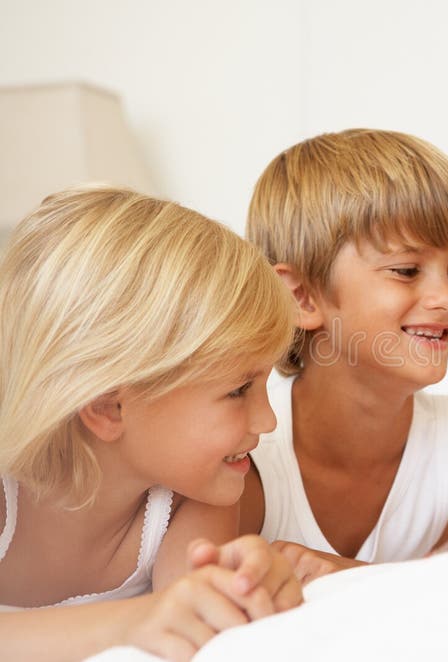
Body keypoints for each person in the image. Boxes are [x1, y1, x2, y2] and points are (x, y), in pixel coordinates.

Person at [0, 187, 304, 661]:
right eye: (238, 390)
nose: (267, 420)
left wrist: (242, 594)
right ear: (108, 407)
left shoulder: (194, 500)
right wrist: (135, 620)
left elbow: (200, 624)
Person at [240, 129, 448, 572]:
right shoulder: (247, 448)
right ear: (301, 298)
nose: (447, 299)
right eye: (407, 270)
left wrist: (350, 577)